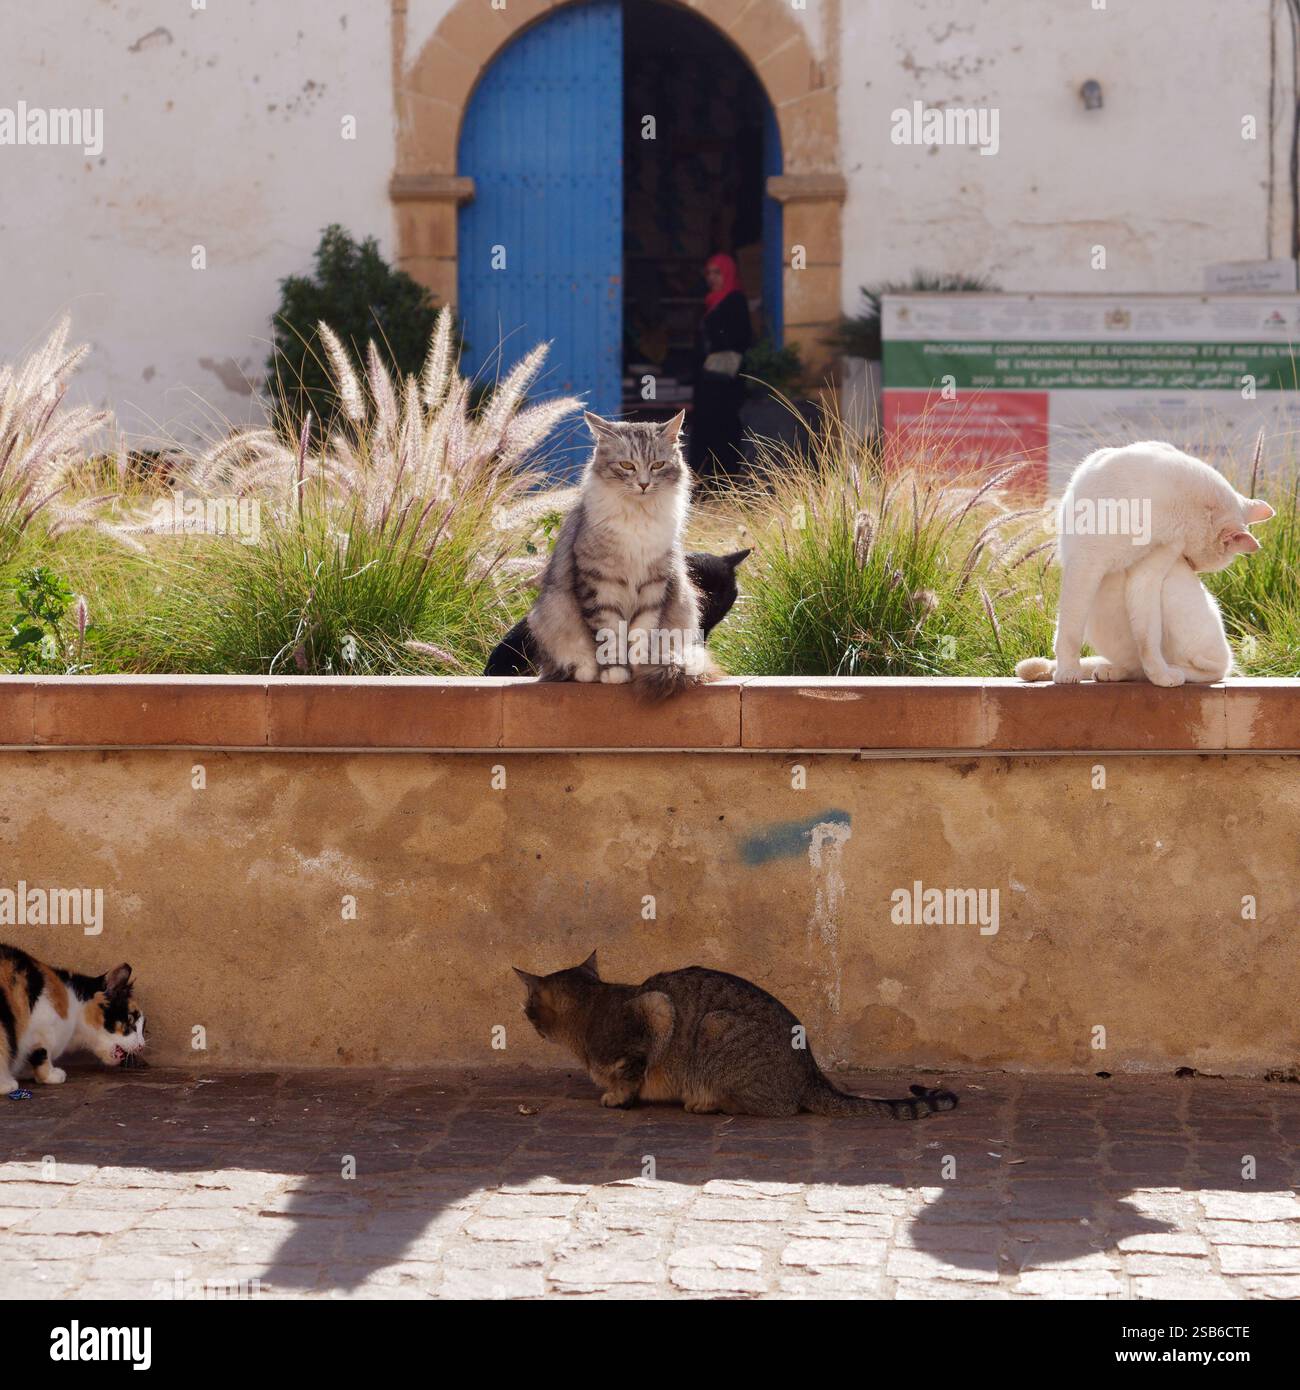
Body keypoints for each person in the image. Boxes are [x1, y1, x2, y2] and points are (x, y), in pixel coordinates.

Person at [687, 252, 752, 482]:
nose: (713, 278)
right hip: (709, 381)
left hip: (724, 383)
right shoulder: (712, 302)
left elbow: (739, 339)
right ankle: (705, 483)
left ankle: (723, 484)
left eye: (718, 272)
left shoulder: (734, 301)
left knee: (721, 430)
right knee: (705, 429)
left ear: (728, 274)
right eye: (709, 273)